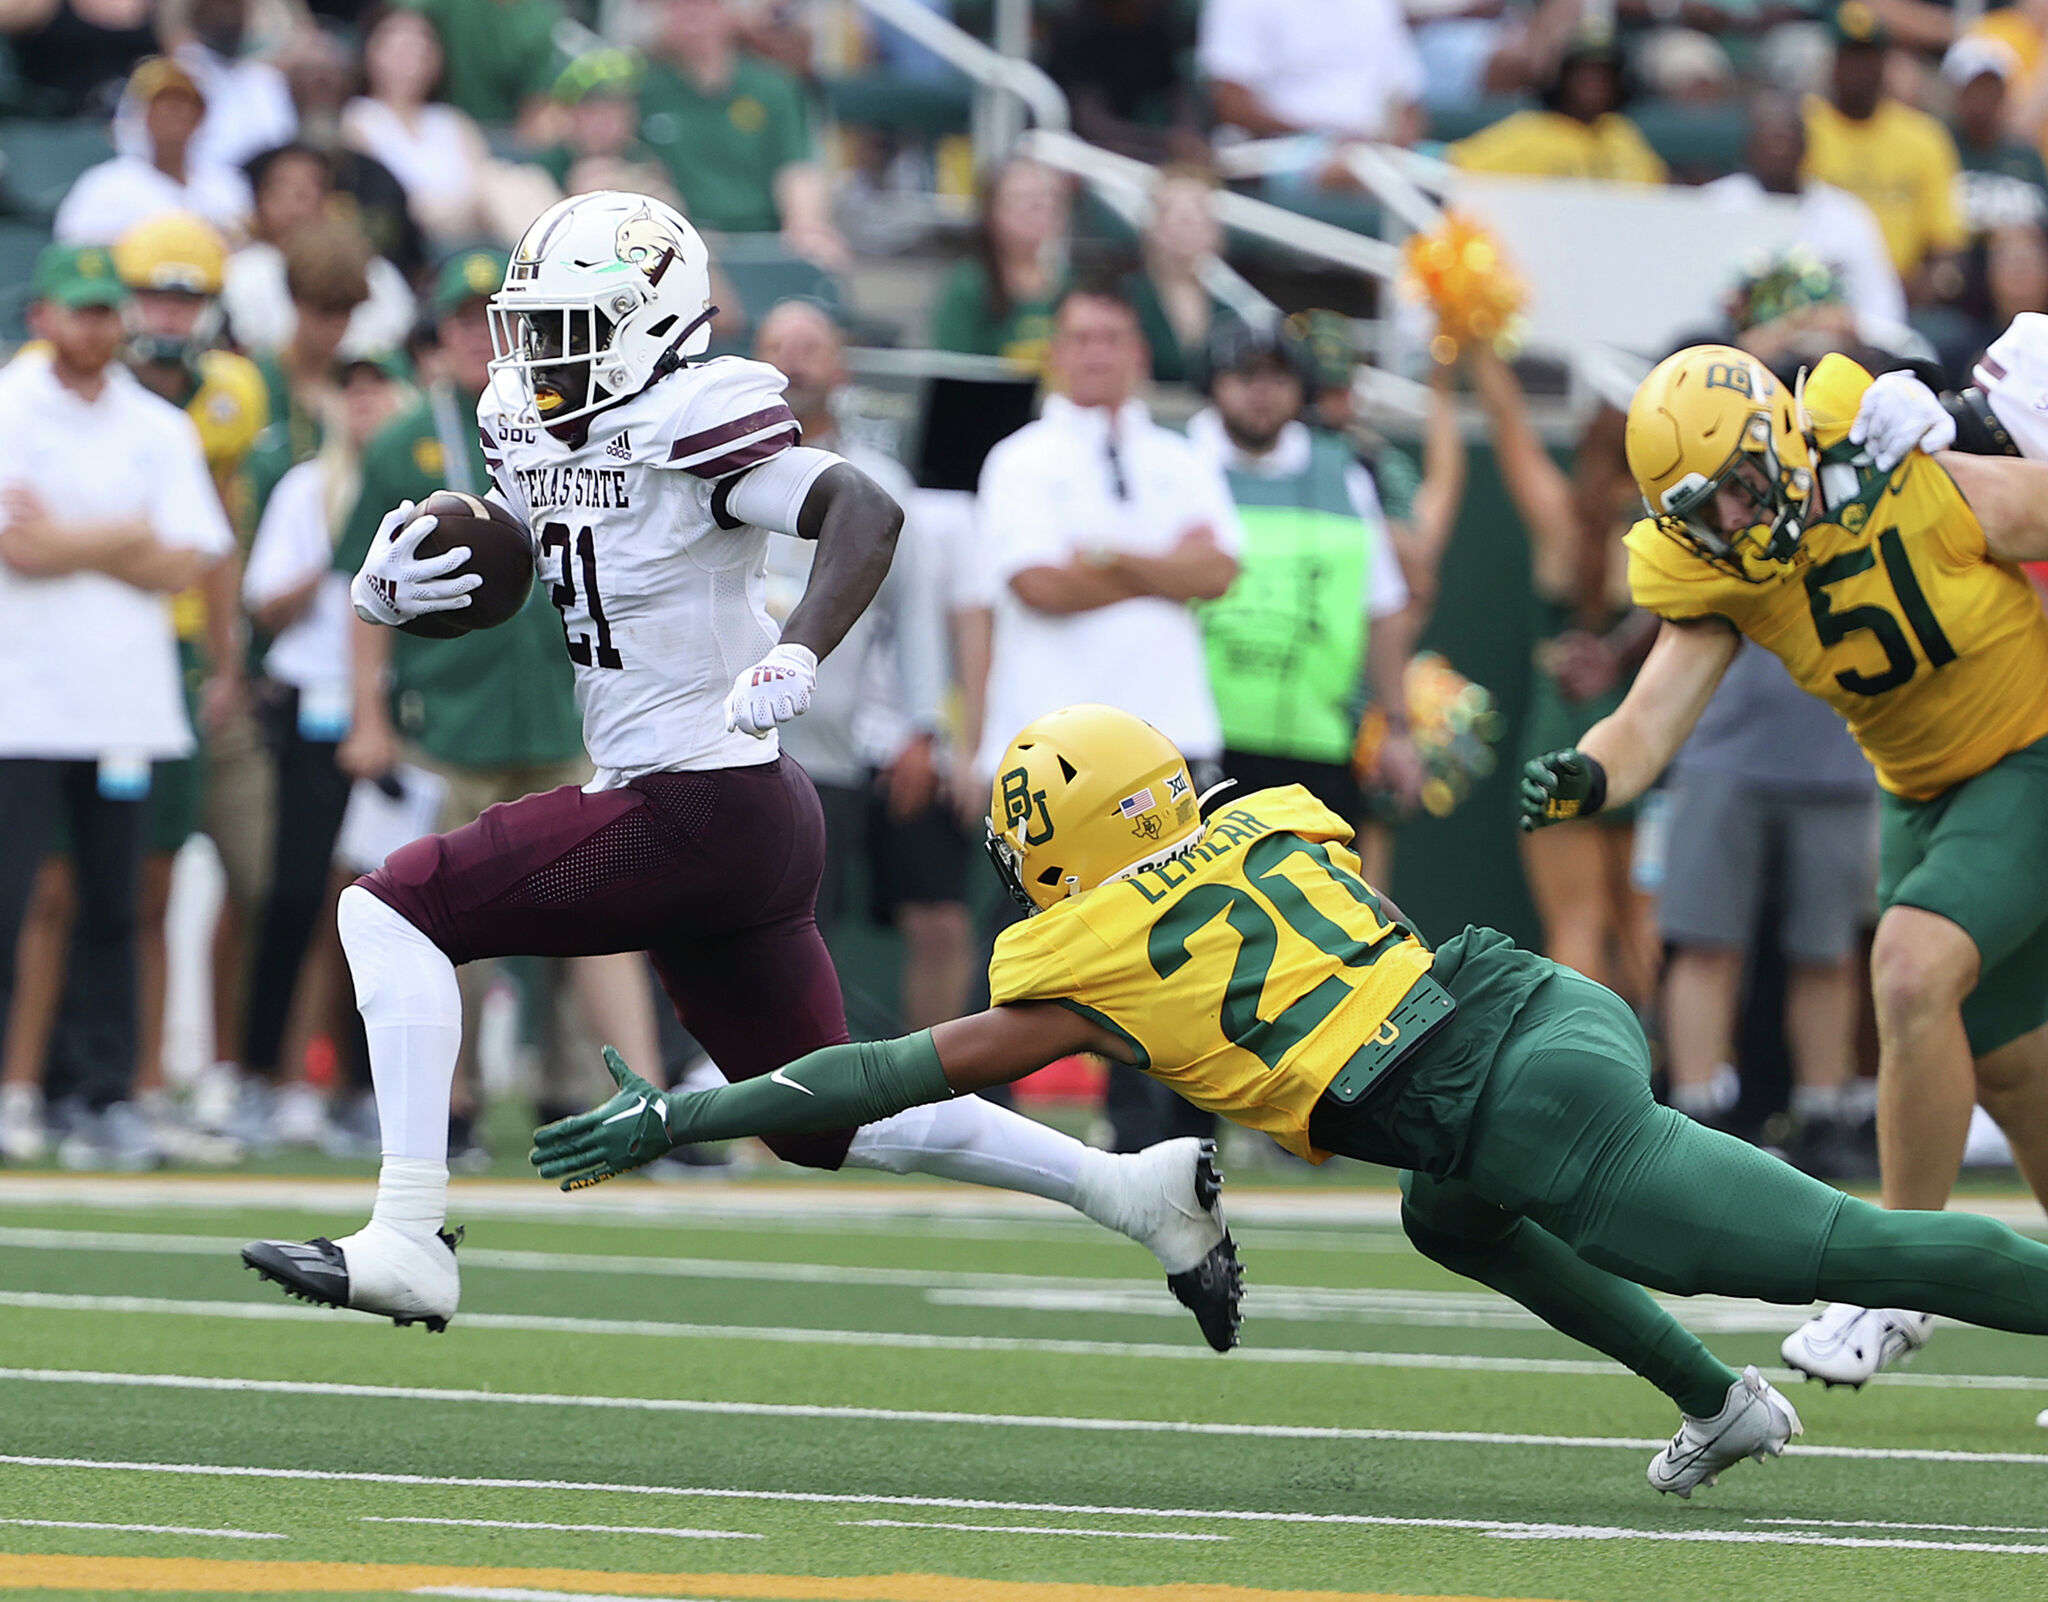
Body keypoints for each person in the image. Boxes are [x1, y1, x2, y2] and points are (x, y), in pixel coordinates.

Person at [534, 700, 2048, 1498]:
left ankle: (1746, 1377)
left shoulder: (1084, 949)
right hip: (1525, 1006)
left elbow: (880, 1071)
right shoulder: (1265, 811)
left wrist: (683, 1113)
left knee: (1863, 1249)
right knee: (1447, 1216)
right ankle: (1720, 1399)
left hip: (1517, 1097)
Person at [240, 195, 1239, 1348]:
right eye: (538, 327)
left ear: (654, 323)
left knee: (389, 908)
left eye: (574, 328)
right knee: (818, 1113)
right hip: (729, 812)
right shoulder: (520, 409)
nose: (545, 356)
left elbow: (860, 508)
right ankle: (1136, 1191)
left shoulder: (693, 411)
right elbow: (536, 547)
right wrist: (417, 584)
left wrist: (799, 649)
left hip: (695, 796)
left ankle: (408, 1234)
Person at [1520, 343, 2048, 1389]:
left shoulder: (1892, 467)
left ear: (1781, 444)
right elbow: (1645, 720)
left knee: (1904, 971)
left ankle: (1896, 1279)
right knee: (2012, 1068)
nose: (1731, 524)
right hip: (1917, 794)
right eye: (1703, 511)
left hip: (2028, 753)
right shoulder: (1727, 568)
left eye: (1740, 491)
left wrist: (1959, 418)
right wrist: (1588, 777)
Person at [971, 280, 1240, 1149]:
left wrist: (1113, 556)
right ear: (1057, 350)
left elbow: (1220, 573)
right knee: (1034, 940)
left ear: (1139, 353)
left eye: (1112, 336)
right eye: (1080, 337)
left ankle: (1182, 1126)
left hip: (1171, 735)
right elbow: (1037, 585)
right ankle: (1000, 1122)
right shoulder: (1019, 457)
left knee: (1189, 939)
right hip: (1058, 751)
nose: (1096, 353)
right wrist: (1162, 565)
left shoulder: (1181, 454)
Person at [0, 244, 236, 1168]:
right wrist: (125, 535)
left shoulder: (157, 425)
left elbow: (189, 559)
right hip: (21, 704)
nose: (97, 327)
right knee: (16, 902)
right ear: (44, 315)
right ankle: (22, 1086)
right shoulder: (12, 406)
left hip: (126, 704)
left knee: (114, 902)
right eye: (81, 310)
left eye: (107, 311)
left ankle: (99, 1093)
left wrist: (67, 540)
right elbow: (20, 552)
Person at [754, 300, 974, 1031]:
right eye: (778, 344)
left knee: (812, 921)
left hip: (835, 741)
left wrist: (923, 728)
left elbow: (911, 616)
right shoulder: (719, 475)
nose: (794, 359)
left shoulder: (877, 480)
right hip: (728, 736)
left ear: (841, 367)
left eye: (810, 345)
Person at [1474, 346, 1658, 1006]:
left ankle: (1587, 1076)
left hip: (1561, 739)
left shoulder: (1560, 517)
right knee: (1644, 924)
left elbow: (1508, 424)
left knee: (1575, 923)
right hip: (1645, 736)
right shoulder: (1668, 535)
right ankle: (1660, 1086)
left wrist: (1471, 338)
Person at [1182, 321, 1422, 824]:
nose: (1262, 393)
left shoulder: (1345, 474)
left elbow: (1383, 607)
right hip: (1192, 745)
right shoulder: (1177, 466)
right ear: (1214, 383)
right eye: (1246, 376)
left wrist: (1396, 728)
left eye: (1279, 378)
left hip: (1316, 745)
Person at [1655, 642, 1879, 1174]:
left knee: (1828, 952)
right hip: (1719, 752)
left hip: (1843, 763)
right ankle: (1693, 1114)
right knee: (1705, 943)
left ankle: (1822, 1119)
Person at [638, 0, 848, 270]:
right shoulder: (643, 89)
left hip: (764, 238)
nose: (692, 17)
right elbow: (634, 166)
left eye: (705, 5)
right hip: (680, 241)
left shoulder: (774, 86)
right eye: (677, 6)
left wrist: (806, 227)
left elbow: (796, 167)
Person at [1801, 3, 1967, 299]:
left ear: (1884, 65)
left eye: (1868, 59)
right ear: (1833, 63)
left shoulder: (1924, 136)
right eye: (1850, 58)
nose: (1859, 70)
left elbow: (1947, 244)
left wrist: (1931, 286)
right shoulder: (1803, 129)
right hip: (1815, 290)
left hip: (1904, 293)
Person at [1702, 91, 1906, 332]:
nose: (1778, 148)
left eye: (1786, 137)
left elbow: (1882, 306)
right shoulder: (1714, 204)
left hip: (1829, 349)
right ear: (1749, 145)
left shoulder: (1845, 213)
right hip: (1735, 350)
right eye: (1769, 137)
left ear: (1805, 145)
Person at [220, 144, 417, 359]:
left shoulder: (370, 266)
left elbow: (397, 332)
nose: (297, 197)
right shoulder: (242, 271)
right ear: (260, 199)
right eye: (282, 185)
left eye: (309, 186)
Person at [341, 6, 495, 250]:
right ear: (372, 52)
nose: (412, 59)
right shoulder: (359, 118)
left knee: (517, 181)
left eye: (421, 49)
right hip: (413, 222)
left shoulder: (452, 119)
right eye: (401, 49)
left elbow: (485, 177)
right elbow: (376, 192)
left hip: (474, 214)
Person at [54, 57, 253, 245]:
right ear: (141, 115)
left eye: (185, 106)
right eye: (165, 107)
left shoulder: (226, 185)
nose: (175, 116)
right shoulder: (105, 184)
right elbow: (74, 248)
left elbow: (245, 246)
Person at [1446, 23, 1665, 185]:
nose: (1594, 85)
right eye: (1584, 75)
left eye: (1603, 76)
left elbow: (1659, 192)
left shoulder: (1622, 133)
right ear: (1563, 78)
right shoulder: (1529, 132)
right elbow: (1452, 168)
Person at [1197, 0, 1424, 154]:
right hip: (1281, 152)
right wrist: (1327, 138)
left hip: (1378, 150)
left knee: (1456, 172)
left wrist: (1395, 144)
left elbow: (1407, 100)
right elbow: (1231, 103)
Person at [932, 158, 1070, 374]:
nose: (1038, 208)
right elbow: (950, 368)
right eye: (1022, 199)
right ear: (992, 211)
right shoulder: (970, 284)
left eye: (1048, 198)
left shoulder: (1068, 281)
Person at [1044, 0, 1206, 167]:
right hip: (1076, 156)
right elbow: (1091, 123)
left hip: (1137, 154)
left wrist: (1189, 133)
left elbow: (1175, 91)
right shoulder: (1077, 32)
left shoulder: (1151, 30)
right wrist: (1164, 141)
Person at [1121, 167, 1233, 387]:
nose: (1185, 220)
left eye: (1198, 210)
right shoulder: (1127, 297)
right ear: (1150, 225)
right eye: (1170, 210)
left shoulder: (1232, 305)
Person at [1946, 35, 2048, 245]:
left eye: (1992, 87)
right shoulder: (1937, 148)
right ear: (1957, 92)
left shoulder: (2026, 156)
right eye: (1975, 88)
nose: (1984, 99)